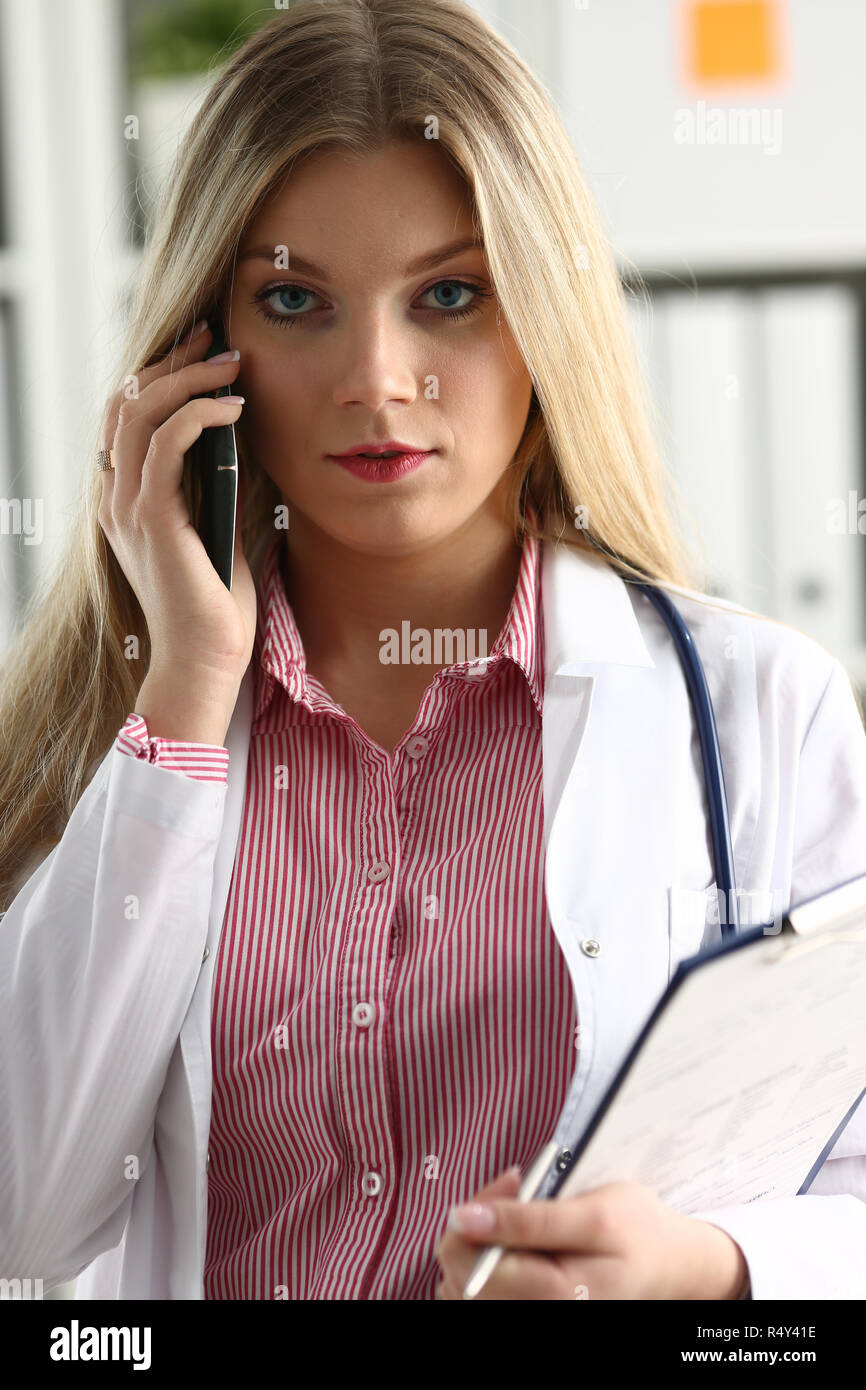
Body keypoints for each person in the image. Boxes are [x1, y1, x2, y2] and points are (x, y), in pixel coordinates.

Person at [1, 0, 865, 1302]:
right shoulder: (111, 727)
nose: (376, 377)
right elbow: (25, 1213)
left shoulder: (760, 708)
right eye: (296, 301)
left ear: (544, 320)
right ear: (198, 354)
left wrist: (700, 1264)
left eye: (449, 295)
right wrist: (183, 694)